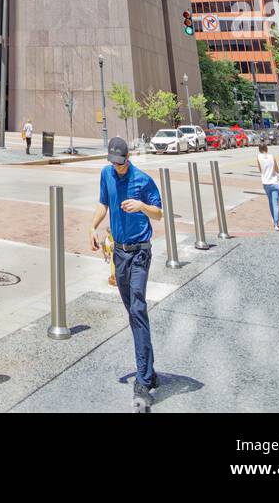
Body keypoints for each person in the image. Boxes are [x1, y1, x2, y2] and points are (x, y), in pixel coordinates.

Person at [90, 135, 163, 407]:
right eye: (113, 162)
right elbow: (103, 204)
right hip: (119, 253)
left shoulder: (143, 180)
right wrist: (92, 227)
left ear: (127, 158)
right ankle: (150, 371)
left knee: (137, 309)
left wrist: (142, 206)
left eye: (121, 163)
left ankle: (143, 381)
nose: (117, 167)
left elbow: (159, 213)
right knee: (132, 311)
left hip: (140, 251)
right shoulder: (106, 174)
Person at [257, 141, 279, 230]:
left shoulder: (258, 157)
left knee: (270, 202)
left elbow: (260, 169)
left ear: (259, 149)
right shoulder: (272, 156)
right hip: (274, 182)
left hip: (266, 182)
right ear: (267, 148)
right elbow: (277, 170)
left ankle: (273, 220)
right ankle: (276, 224)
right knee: (275, 204)